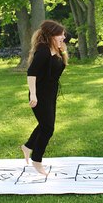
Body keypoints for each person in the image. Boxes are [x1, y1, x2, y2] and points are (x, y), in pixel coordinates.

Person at [21, 20, 68, 175]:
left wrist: (62, 51)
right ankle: (37, 160)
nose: (63, 37)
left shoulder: (56, 50)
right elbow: (31, 73)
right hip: (39, 94)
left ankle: (28, 147)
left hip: (50, 93)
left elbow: (59, 69)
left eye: (63, 34)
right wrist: (33, 94)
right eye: (60, 34)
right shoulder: (43, 50)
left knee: (45, 125)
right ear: (51, 35)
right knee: (48, 128)